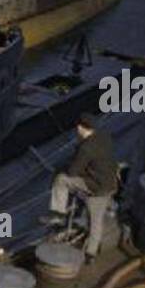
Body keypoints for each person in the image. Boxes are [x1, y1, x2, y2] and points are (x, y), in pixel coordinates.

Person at [40, 112, 117, 263]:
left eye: (78, 127)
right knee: (96, 222)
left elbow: (73, 172)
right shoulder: (104, 136)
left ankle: (59, 214)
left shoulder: (86, 148)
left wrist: (67, 166)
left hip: (94, 188)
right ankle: (90, 255)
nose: (77, 129)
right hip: (109, 184)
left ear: (81, 128)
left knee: (61, 179)